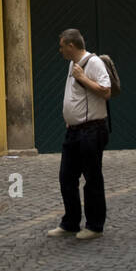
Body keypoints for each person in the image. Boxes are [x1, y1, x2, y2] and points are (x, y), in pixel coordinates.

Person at [47, 28, 111, 240]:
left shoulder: (93, 63)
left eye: (62, 46)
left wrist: (83, 78)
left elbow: (106, 91)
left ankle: (94, 226)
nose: (60, 50)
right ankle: (71, 222)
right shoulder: (72, 64)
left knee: (92, 178)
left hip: (91, 130)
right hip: (75, 131)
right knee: (66, 177)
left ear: (71, 45)